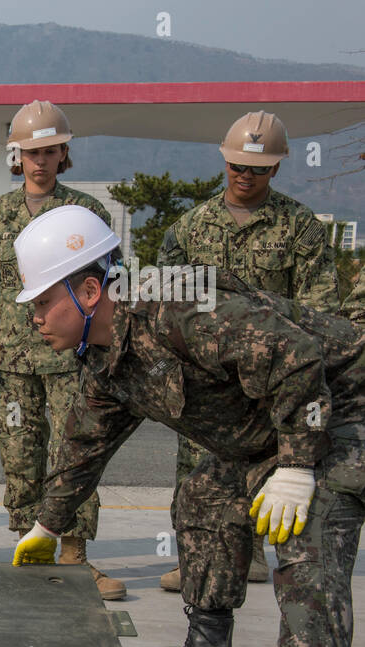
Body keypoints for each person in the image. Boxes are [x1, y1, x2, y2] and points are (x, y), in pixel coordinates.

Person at [11, 205, 362, 647]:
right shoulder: (108, 356)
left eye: (43, 302)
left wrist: (300, 465)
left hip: (338, 409)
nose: (36, 318)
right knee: (203, 498)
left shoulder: (182, 307)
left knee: (304, 541)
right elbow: (83, 443)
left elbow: (300, 358)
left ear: (90, 290)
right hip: (265, 429)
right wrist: (48, 523)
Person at [157, 110, 347, 592]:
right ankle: (194, 559)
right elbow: (167, 302)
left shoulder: (299, 228)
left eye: (257, 169)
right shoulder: (189, 230)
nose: (245, 175)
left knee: (268, 463)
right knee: (198, 472)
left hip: (274, 375)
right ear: (225, 162)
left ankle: (258, 555)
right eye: (238, 166)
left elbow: (318, 307)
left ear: (276, 169)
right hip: (208, 377)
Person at [0, 100, 124, 600]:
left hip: (72, 359)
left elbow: (110, 282)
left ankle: (75, 556)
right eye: (31, 152)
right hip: (11, 362)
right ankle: (31, 551)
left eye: (50, 151)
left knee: (74, 452)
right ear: (17, 156)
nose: (39, 162)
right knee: (20, 456)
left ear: (62, 154)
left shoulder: (84, 213)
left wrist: (104, 347)